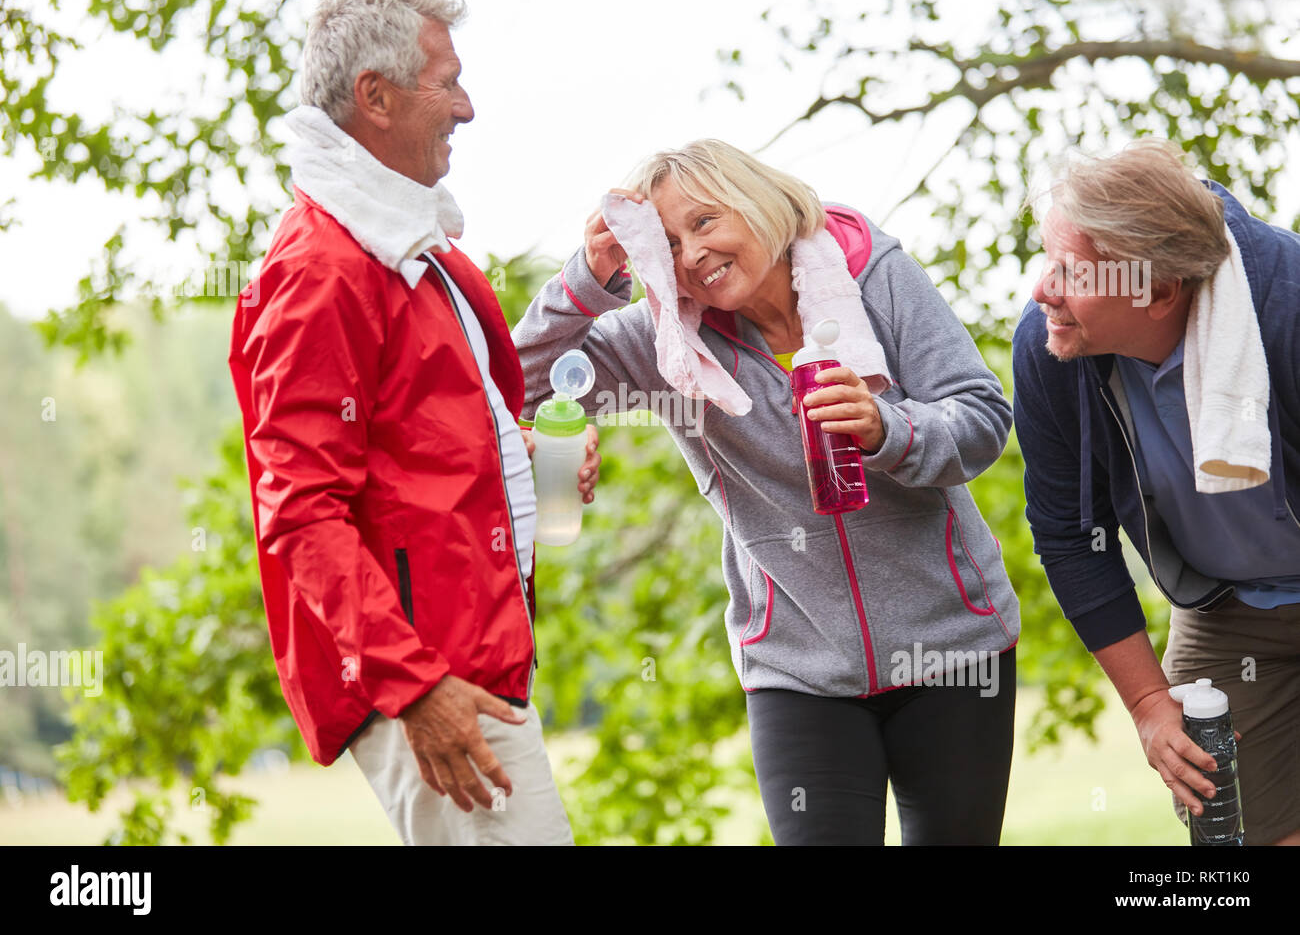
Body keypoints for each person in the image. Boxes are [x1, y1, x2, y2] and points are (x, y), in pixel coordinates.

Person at [512, 139, 1020, 845]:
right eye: (667, 244)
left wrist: (887, 430)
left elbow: (982, 417)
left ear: (754, 203)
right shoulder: (667, 344)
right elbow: (515, 383)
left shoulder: (872, 274)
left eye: (705, 222)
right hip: (798, 670)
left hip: (952, 646)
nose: (691, 254)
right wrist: (586, 281)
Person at [227, 0, 598, 846]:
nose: (467, 108)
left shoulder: (416, 249)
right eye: (448, 81)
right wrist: (412, 685)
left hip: (471, 654)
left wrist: (530, 465)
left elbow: (440, 442)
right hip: (426, 674)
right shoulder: (323, 267)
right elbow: (301, 513)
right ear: (376, 97)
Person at [1013, 139, 1300, 845]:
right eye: (1047, 260)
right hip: (1230, 607)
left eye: (1070, 272)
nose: (1041, 290)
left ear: (1159, 291)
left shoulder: (1288, 307)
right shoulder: (1052, 346)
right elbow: (1068, 534)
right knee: (1237, 833)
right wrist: (1147, 702)